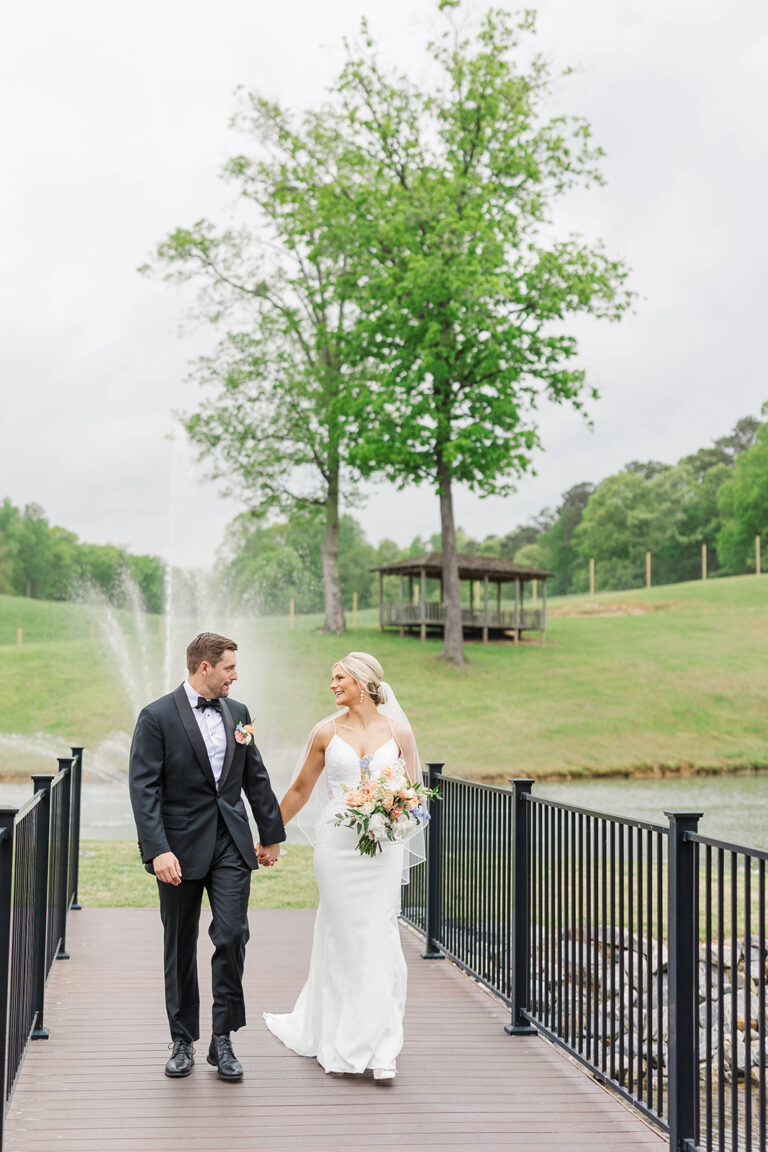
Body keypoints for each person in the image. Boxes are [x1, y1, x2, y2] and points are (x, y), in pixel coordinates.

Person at [129, 632, 285, 1081]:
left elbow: (255, 776)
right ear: (205, 668)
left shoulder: (239, 713)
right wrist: (157, 849)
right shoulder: (156, 717)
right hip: (176, 849)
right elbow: (144, 790)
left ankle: (223, 1038)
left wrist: (270, 833)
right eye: (230, 668)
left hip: (230, 844)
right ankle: (182, 1040)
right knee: (179, 943)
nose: (236, 676)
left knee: (233, 934)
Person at [264, 651, 422, 1081]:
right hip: (337, 847)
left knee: (380, 934)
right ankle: (338, 1034)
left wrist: (396, 817)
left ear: (364, 683)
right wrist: (270, 834)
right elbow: (299, 789)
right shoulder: (324, 732)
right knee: (342, 934)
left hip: (383, 849)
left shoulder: (400, 731)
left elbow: (414, 798)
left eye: (339, 678)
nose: (332, 685)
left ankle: (382, 1046)